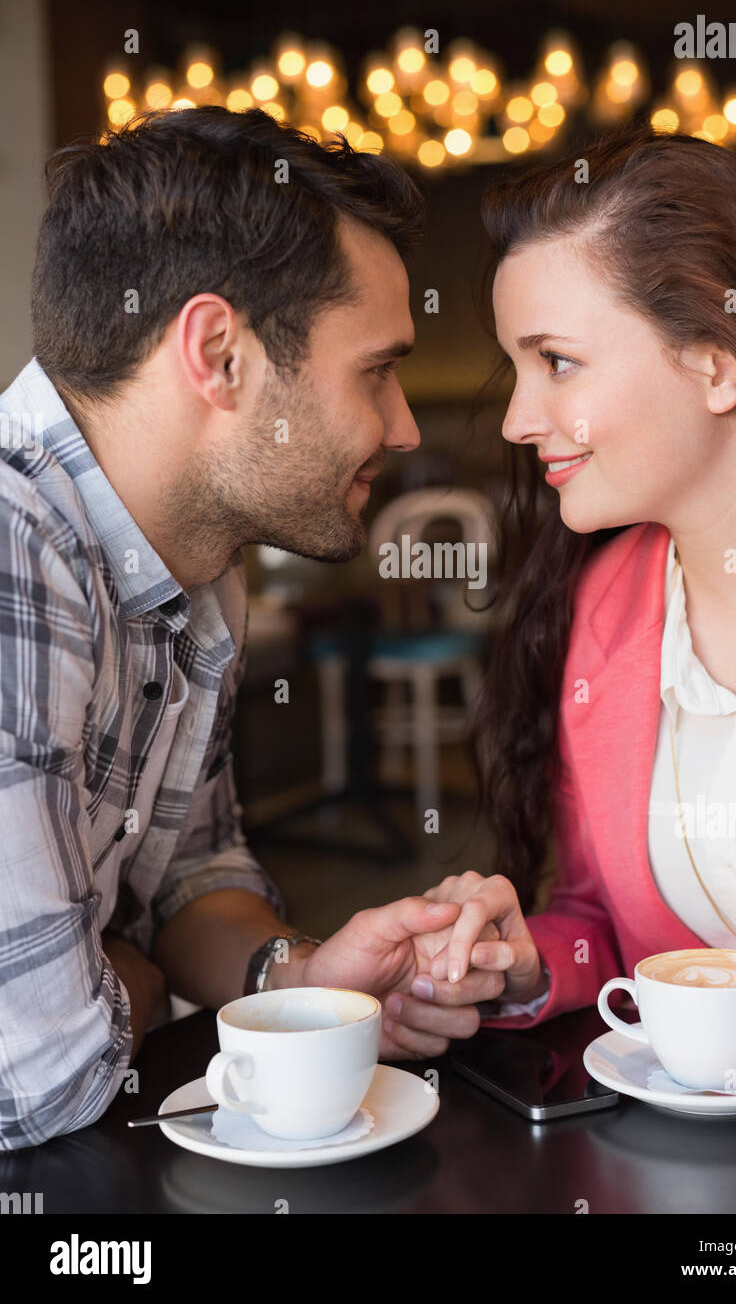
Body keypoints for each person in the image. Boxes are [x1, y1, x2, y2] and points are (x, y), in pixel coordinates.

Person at [0, 106, 504, 1151]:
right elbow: (38, 1078)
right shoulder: (13, 549)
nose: (405, 424)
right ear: (219, 354)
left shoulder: (199, 561)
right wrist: (129, 976)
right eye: (376, 368)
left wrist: (301, 976)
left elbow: (192, 870)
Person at [424, 125, 736, 1046]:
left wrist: (729, 999)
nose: (514, 418)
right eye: (517, 367)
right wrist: (528, 959)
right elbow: (606, 924)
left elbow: (656, 973)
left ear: (717, 362)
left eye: (557, 361)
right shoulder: (608, 605)